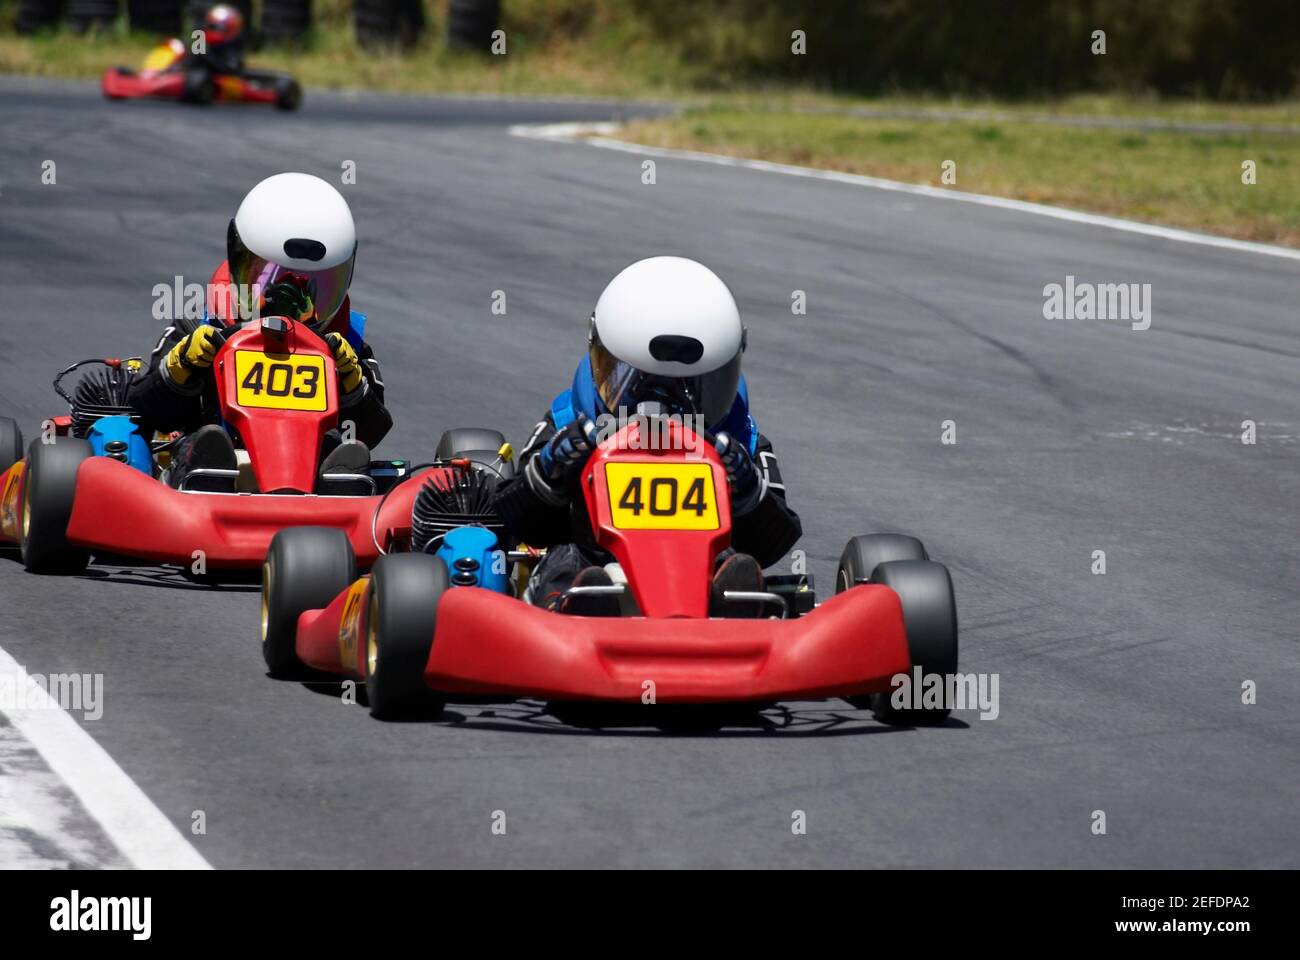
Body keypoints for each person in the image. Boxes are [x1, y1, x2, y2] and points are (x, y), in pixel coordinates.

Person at [491, 256, 801, 617]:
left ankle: (729, 606)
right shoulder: (569, 422)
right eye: (637, 384)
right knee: (565, 560)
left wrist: (746, 488)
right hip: (591, 563)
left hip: (701, 578)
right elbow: (508, 519)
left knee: (735, 562)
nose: (659, 412)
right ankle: (584, 603)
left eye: (690, 391)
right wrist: (548, 471)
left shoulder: (739, 439)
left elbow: (776, 541)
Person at [129, 172, 392, 489]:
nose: (290, 302)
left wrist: (352, 385)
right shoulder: (200, 328)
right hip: (207, 474)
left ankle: (340, 488)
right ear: (239, 262)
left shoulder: (347, 344)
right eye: (270, 280)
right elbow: (141, 412)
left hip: (311, 475)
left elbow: (372, 432)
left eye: (315, 287)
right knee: (191, 442)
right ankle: (206, 472)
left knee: (347, 455)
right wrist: (181, 368)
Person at [189, 4, 246, 78]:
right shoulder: (207, 45)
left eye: (215, 28)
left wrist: (206, 57)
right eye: (211, 27)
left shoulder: (231, 49)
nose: (213, 31)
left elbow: (229, 69)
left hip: (222, 80)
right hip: (201, 78)